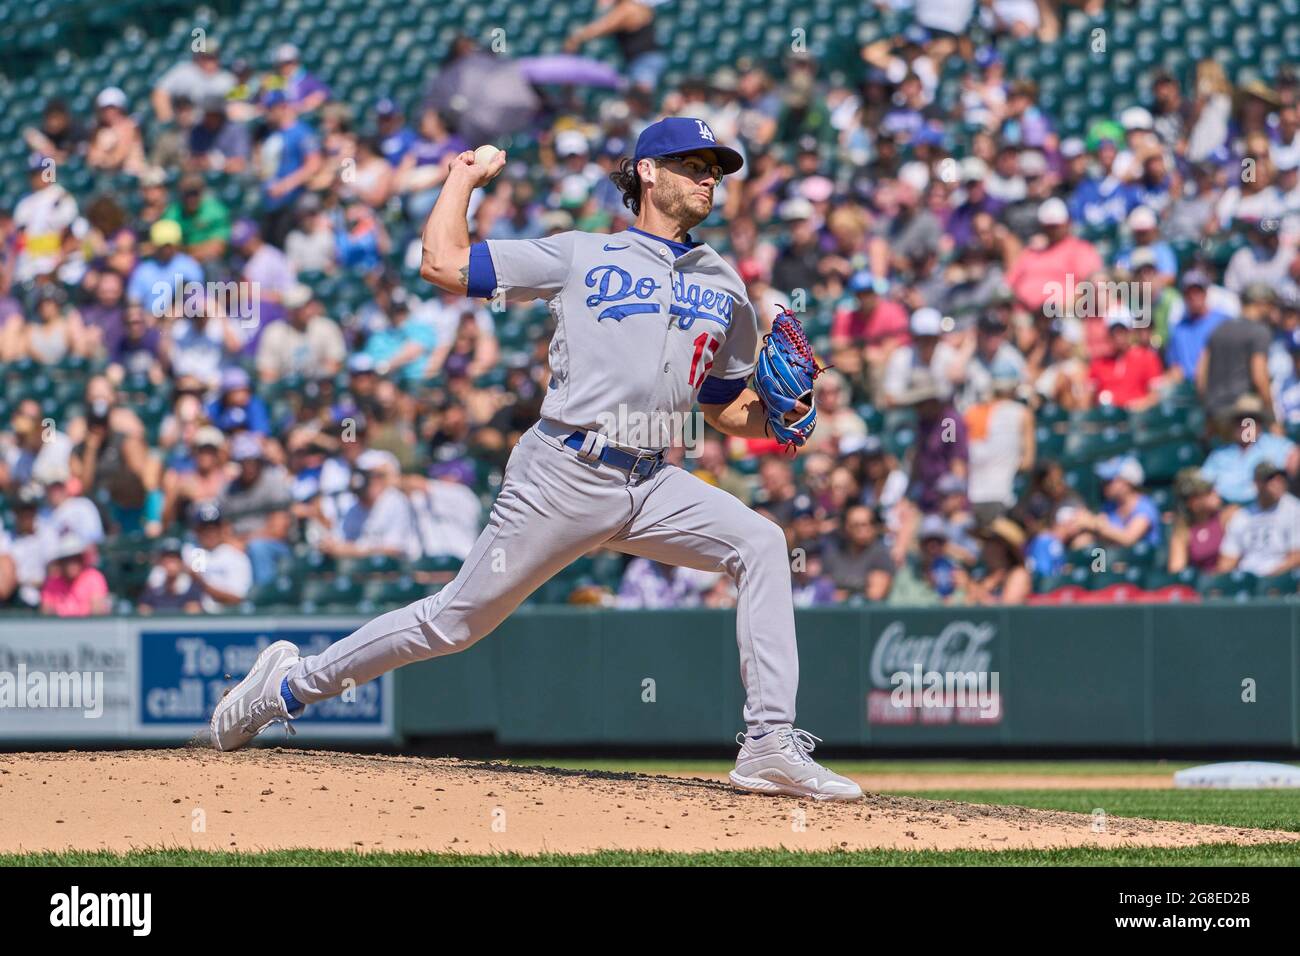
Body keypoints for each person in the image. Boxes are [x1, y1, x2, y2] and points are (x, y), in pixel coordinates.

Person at [209, 116, 862, 802]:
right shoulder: (580, 254)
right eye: (694, 164)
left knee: (761, 543)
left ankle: (768, 744)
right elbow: (441, 263)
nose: (710, 178)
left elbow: (723, 408)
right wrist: (461, 178)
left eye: (717, 169)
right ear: (647, 171)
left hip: (651, 479)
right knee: (453, 623)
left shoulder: (724, 283)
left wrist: (781, 419)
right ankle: (286, 687)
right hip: (563, 472)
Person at [1217, 462, 1300, 577]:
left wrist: (1268, 578)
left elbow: (1296, 556)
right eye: (1269, 479)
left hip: (1280, 579)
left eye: (1280, 478)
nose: (1277, 483)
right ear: (1256, 483)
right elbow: (1228, 559)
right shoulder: (1242, 516)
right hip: (1247, 578)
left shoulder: (1295, 510)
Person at [1167, 469, 1236, 575]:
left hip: (1226, 582)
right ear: (1193, 502)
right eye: (1208, 491)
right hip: (1201, 586)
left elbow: (1231, 562)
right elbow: (1176, 570)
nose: (1215, 493)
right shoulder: (1183, 530)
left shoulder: (1228, 516)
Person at [40, 534, 111, 617]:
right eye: (67, 560)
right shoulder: (52, 583)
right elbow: (46, 615)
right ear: (61, 563)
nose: (71, 564)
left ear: (81, 559)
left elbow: (97, 613)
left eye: (75, 559)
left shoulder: (94, 578)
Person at [137, 538, 204, 614]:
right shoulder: (153, 587)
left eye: (175, 558)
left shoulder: (191, 587)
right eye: (167, 558)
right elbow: (143, 610)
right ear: (161, 562)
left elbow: (194, 612)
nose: (171, 563)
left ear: (181, 562)